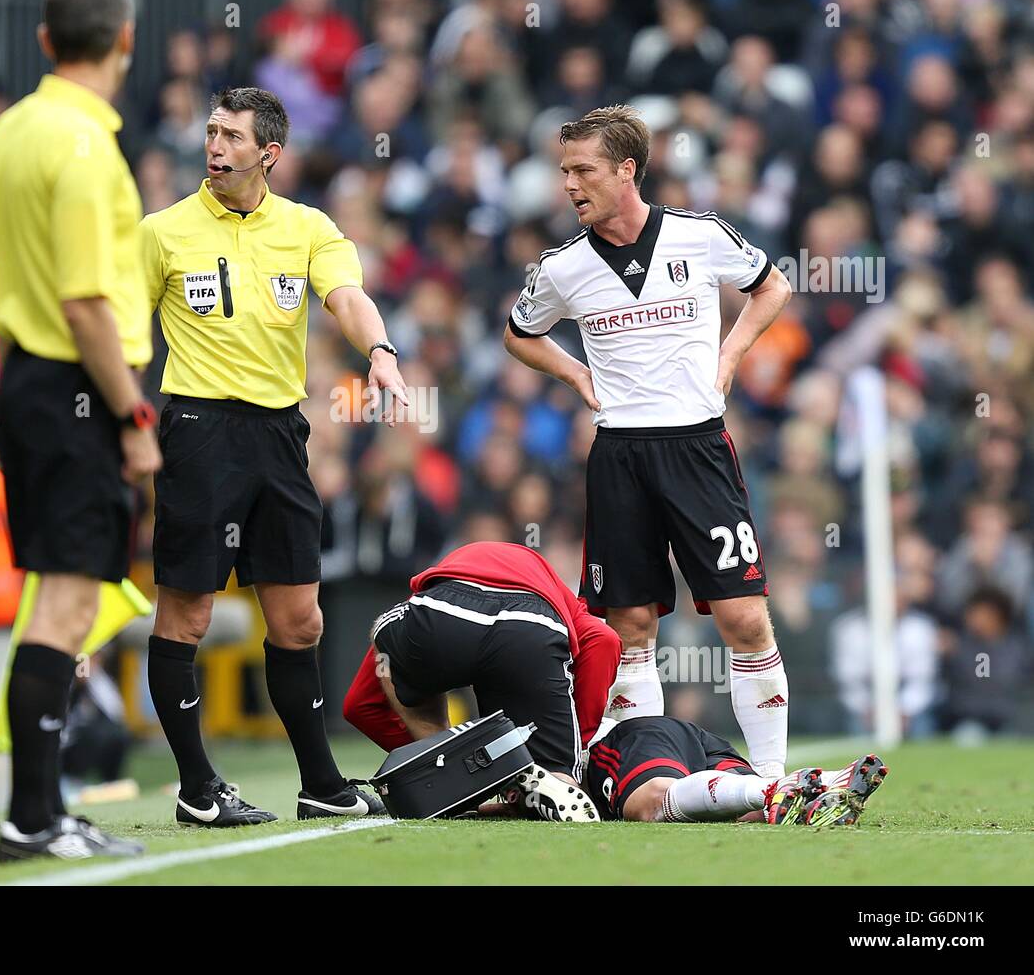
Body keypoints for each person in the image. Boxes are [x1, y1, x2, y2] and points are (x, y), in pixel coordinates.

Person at [140, 86, 407, 826]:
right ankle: (197, 788)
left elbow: (346, 296)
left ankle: (320, 782)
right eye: (211, 132)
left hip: (281, 436)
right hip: (197, 431)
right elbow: (125, 333)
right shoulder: (161, 232)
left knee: (301, 622)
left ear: (270, 153)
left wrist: (380, 351)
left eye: (232, 136)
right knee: (187, 615)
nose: (215, 147)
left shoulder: (308, 228)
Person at [504, 105, 794, 778]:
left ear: (627, 169)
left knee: (746, 619)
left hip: (697, 449)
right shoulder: (562, 268)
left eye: (583, 170)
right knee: (629, 629)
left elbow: (772, 286)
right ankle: (646, 775)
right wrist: (574, 371)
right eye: (564, 171)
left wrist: (730, 355)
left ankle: (774, 782)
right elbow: (519, 333)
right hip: (619, 459)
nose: (569, 184)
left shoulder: (698, 235)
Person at [0, 0, 159, 862]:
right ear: (125, 42)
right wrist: (133, 418)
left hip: (29, 383)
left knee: (54, 598)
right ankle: (35, 818)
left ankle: (36, 814)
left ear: (46, 43)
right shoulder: (86, 148)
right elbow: (87, 302)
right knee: (66, 603)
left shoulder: (9, 132)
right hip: (78, 387)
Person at [343, 540, 622, 821]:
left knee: (384, 632)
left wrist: (453, 761)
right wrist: (576, 741)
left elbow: (360, 705)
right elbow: (604, 641)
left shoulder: (437, 585)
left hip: (445, 614)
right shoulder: (561, 594)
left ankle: (444, 767)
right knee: (557, 776)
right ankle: (552, 781)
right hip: (528, 627)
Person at [580, 718, 888, 829]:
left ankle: (773, 789)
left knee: (652, 802)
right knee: (754, 812)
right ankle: (828, 784)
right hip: (683, 737)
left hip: (622, 740)